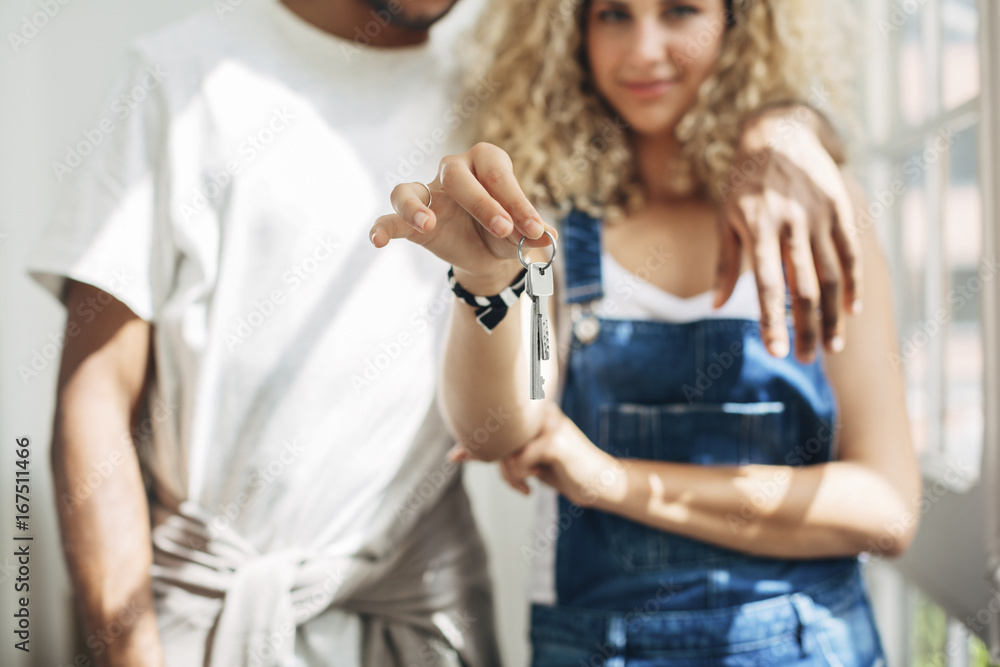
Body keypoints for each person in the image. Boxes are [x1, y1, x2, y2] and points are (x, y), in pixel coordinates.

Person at [30, 1, 858, 666]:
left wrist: (786, 125)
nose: (643, 40)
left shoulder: (508, 99)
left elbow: (677, 101)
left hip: (421, 611)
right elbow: (95, 392)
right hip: (200, 617)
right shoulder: (179, 78)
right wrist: (127, 645)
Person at [371, 0, 921, 664]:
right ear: (572, 31)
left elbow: (885, 507)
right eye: (613, 15)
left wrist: (611, 481)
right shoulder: (546, 218)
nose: (643, 50)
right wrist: (484, 280)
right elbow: (495, 432)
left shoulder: (811, 204)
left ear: (739, 21)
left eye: (680, 10)